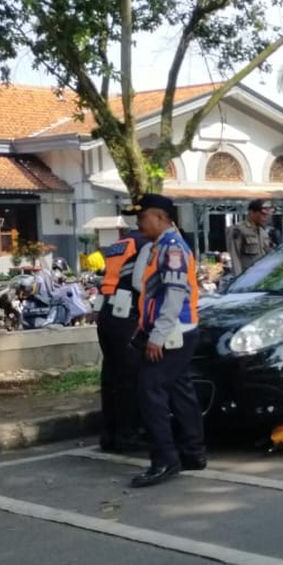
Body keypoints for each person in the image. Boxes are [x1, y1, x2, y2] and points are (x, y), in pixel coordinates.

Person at [130, 194, 206, 488]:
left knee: (151, 392)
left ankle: (165, 460)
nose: (138, 223)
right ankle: (193, 453)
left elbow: (173, 295)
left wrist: (157, 337)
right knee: (181, 390)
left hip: (174, 332)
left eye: (143, 217)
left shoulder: (171, 248)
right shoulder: (162, 246)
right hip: (179, 331)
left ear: (161, 218)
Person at [95, 221, 147, 453]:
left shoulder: (121, 242)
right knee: (129, 379)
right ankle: (128, 436)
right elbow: (139, 282)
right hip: (126, 314)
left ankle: (109, 434)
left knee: (110, 377)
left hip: (106, 311)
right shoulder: (145, 244)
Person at [226, 198, 274, 276]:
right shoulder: (238, 230)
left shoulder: (263, 231)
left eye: (267, 214)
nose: (265, 217)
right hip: (247, 277)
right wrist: (238, 280)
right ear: (252, 213)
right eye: (263, 214)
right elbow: (235, 258)